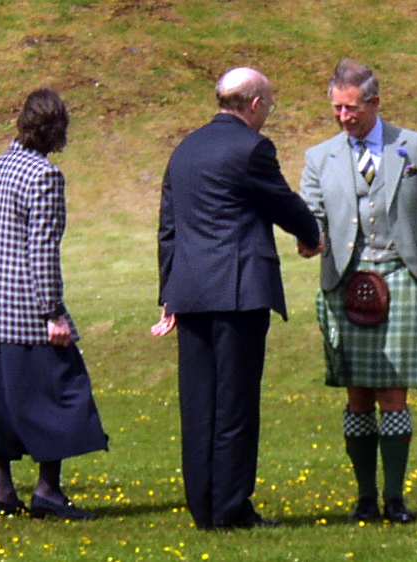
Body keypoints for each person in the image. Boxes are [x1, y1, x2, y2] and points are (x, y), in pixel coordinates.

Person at [152, 67, 320, 530]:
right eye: (269, 103)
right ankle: (231, 507)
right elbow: (280, 201)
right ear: (253, 105)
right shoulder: (252, 148)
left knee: (198, 404)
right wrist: (310, 234)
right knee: (236, 404)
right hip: (239, 292)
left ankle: (203, 504)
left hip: (191, 293)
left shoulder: (184, 149)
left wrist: (169, 292)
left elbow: (168, 227)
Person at [298, 59, 417, 524]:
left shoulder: (415, 147)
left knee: (394, 394)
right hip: (344, 280)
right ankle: (364, 497)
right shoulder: (318, 157)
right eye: (337, 109)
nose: (344, 117)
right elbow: (312, 212)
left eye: (352, 108)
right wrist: (310, 238)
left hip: (401, 275)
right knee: (358, 394)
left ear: (375, 103)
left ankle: (395, 497)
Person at [0, 88, 108, 520]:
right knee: (59, 397)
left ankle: (3, 494)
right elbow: (42, 250)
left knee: (1, 404)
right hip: (27, 312)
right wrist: (53, 311)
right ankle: (48, 491)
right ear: (57, 130)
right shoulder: (44, 176)